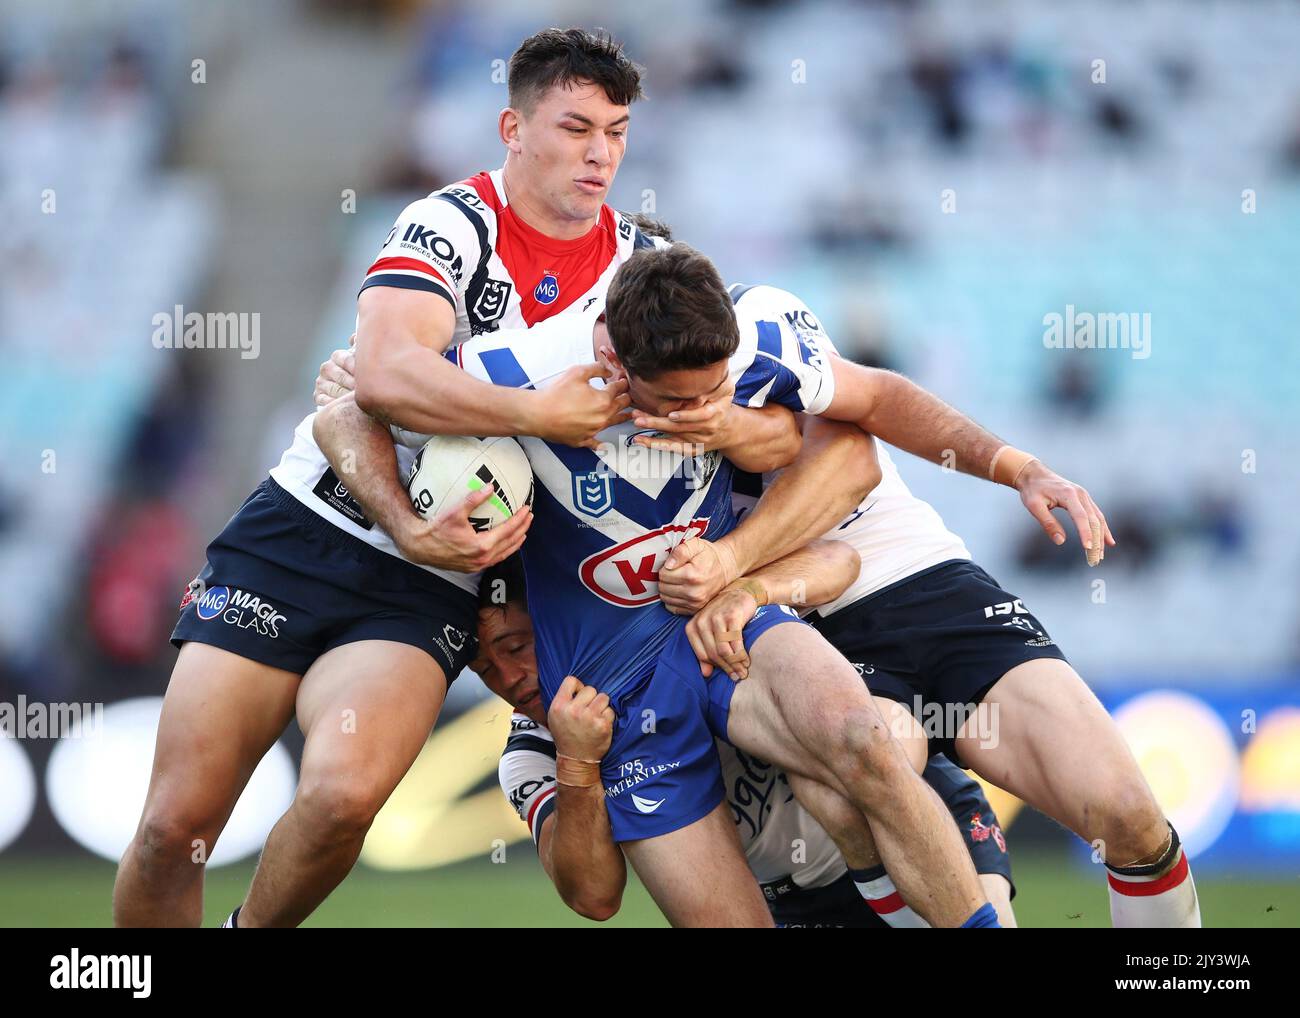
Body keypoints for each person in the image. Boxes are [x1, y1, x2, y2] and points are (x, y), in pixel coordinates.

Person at [115, 27, 728, 929]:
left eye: (617, 131)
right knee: (175, 824)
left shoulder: (636, 270)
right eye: (575, 127)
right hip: (308, 528)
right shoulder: (451, 222)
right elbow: (381, 378)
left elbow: (699, 395)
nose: (600, 153)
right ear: (512, 128)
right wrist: (530, 415)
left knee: (343, 796)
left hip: (439, 576)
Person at [315, 242, 1102, 927]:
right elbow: (352, 408)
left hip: (721, 630)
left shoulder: (751, 340)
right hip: (615, 698)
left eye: (717, 389)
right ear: (615, 366)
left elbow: (875, 409)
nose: (707, 410)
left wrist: (1018, 468)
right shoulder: (517, 373)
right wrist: (407, 522)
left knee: (866, 739)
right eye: (681, 401)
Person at [477, 555, 1018, 927]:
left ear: (554, 624)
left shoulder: (674, 623)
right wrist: (578, 763)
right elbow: (591, 896)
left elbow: (839, 559)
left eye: (517, 646)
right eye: (484, 668)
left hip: (915, 824)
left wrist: (749, 589)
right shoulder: (531, 756)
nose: (507, 678)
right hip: (794, 902)